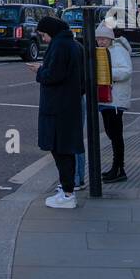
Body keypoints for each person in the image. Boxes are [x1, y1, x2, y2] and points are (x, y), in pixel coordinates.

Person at [31, 14, 83, 209]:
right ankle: (66, 188)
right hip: (67, 104)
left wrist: (39, 71)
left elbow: (54, 75)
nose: (43, 39)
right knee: (63, 149)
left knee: (61, 149)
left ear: (51, 32)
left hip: (58, 106)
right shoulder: (71, 44)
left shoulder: (60, 46)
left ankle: (68, 193)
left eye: (44, 35)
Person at [96, 22, 133, 182]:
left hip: (116, 98)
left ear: (111, 38)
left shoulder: (118, 51)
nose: (101, 41)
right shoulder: (102, 51)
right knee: (111, 133)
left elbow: (126, 72)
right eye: (99, 39)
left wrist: (106, 72)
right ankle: (116, 168)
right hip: (105, 98)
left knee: (116, 135)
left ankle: (119, 169)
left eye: (104, 38)